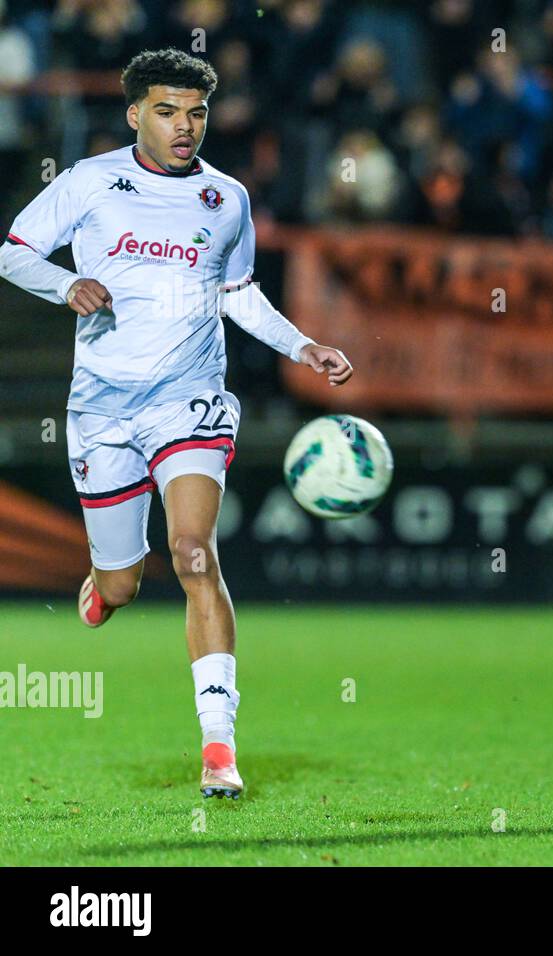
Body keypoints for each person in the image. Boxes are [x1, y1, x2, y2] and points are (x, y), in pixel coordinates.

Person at [0, 48, 353, 797]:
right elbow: (13, 251)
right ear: (134, 114)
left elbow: (240, 292)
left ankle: (218, 747)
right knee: (124, 583)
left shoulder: (227, 199)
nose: (184, 125)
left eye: (195, 112)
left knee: (194, 553)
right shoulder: (90, 181)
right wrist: (69, 284)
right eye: (167, 111)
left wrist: (303, 345)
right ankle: (105, 584)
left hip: (190, 399)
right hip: (102, 409)